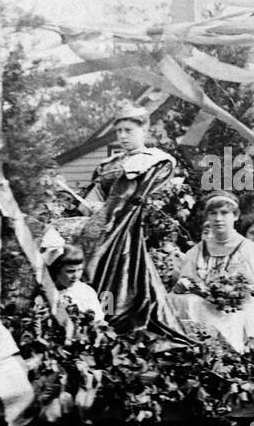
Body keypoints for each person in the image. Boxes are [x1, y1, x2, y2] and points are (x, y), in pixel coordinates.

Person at [79, 103, 186, 339]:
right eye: (119, 132)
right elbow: (95, 195)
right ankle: (95, 317)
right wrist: (91, 207)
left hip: (126, 231)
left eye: (128, 130)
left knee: (115, 272)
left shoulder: (155, 161)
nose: (122, 136)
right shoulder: (110, 164)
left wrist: (104, 213)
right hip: (101, 226)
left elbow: (136, 201)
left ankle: (112, 319)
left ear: (144, 128)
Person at [170, 190, 254, 352]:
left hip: (235, 311)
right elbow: (186, 280)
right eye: (213, 213)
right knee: (179, 301)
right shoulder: (197, 251)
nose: (218, 219)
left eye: (224, 213)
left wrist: (232, 293)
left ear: (235, 216)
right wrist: (182, 284)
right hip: (202, 309)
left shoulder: (247, 249)